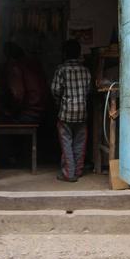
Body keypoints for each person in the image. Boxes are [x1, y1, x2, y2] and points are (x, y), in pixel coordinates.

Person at [51, 40, 91, 182]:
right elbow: (88, 91)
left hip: (66, 113)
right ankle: (77, 171)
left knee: (66, 143)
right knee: (80, 143)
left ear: (64, 53)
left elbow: (55, 90)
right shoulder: (85, 70)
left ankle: (69, 173)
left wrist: (59, 103)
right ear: (79, 53)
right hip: (82, 113)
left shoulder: (61, 70)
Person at [0, 42, 49, 123]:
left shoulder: (16, 67)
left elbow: (17, 94)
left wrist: (10, 111)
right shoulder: (35, 64)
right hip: (43, 112)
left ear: (9, 57)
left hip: (28, 114)